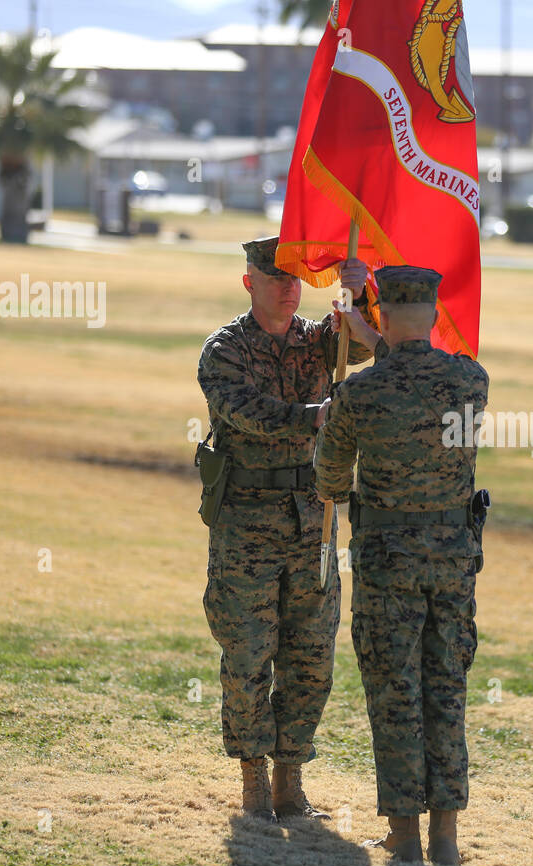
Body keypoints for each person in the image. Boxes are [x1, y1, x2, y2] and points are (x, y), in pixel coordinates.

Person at [197, 236, 384, 821]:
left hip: (314, 519)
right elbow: (244, 415)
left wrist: (363, 287)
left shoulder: (319, 340)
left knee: (310, 654)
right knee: (249, 650)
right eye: (273, 276)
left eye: (294, 276)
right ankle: (253, 778)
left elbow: (378, 347)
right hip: (247, 522)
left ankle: (290, 777)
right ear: (248, 280)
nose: (286, 286)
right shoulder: (225, 350)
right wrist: (316, 416)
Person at [314, 265, 488, 865]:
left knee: (395, 696)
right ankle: (445, 838)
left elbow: (331, 482)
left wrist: (362, 350)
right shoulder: (471, 381)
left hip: (387, 567)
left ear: (383, 315)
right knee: (446, 692)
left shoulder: (357, 392)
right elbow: (417, 363)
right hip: (453, 567)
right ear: (436, 317)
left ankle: (404, 839)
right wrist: (379, 339)